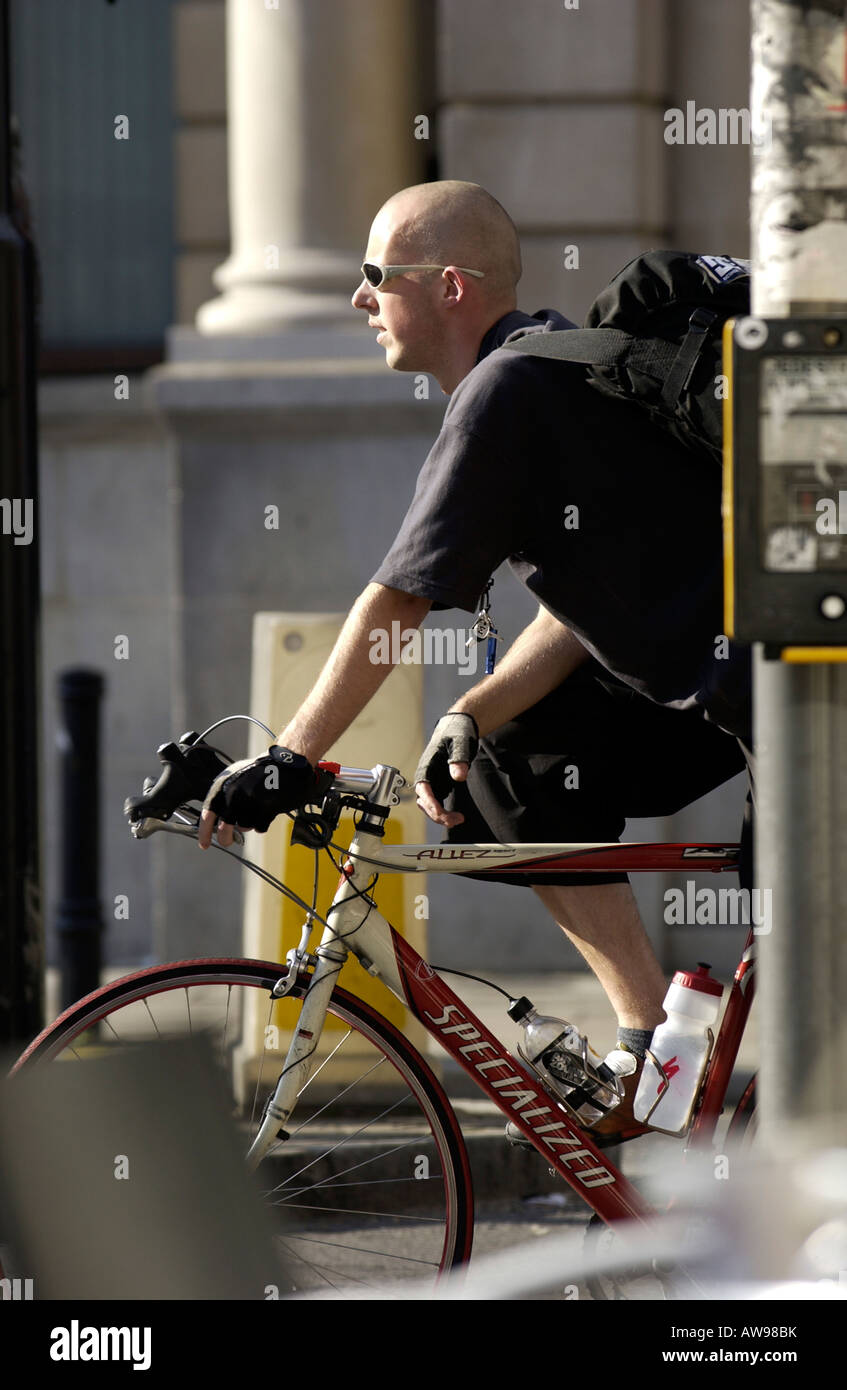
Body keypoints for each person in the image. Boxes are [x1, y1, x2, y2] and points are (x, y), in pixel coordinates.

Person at [197, 180, 753, 1146]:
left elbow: (397, 600)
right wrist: (476, 708)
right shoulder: (556, 365)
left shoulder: (504, 392)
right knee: (505, 762)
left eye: (377, 276)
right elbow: (583, 613)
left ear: (449, 286)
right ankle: (657, 1042)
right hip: (717, 690)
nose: (360, 300)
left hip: (785, 699)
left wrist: (286, 758)